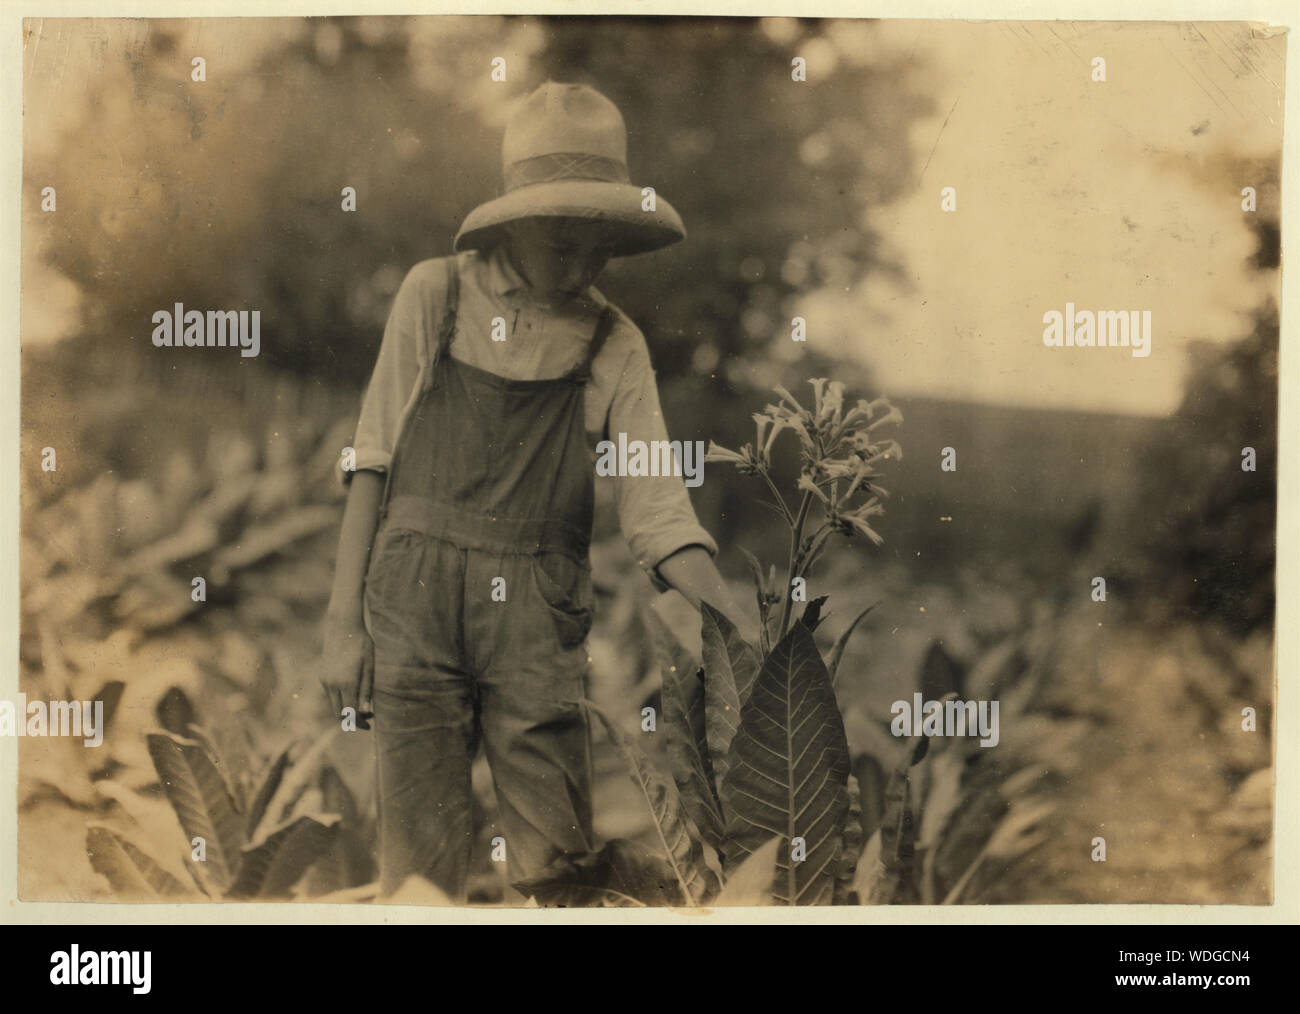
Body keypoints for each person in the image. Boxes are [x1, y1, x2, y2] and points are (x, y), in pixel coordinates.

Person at [320, 82, 755, 901]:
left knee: (559, 871)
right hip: (412, 610)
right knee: (419, 872)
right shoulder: (434, 296)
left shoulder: (613, 342)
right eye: (563, 242)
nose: (584, 264)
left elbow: (658, 516)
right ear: (515, 219)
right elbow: (371, 457)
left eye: (601, 245)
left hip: (538, 623)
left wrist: (740, 637)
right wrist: (344, 622)